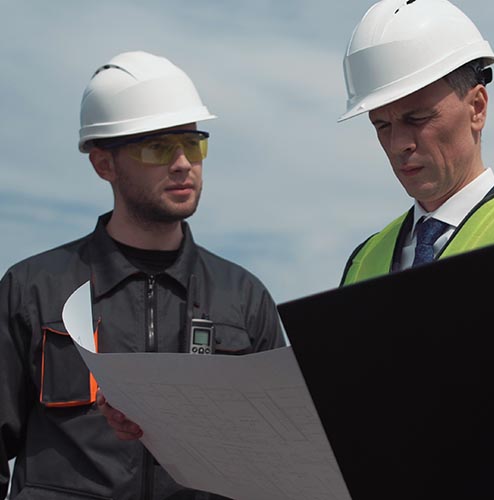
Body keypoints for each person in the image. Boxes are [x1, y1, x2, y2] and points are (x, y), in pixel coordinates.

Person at [0, 51, 285, 499]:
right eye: (157, 147)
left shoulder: (244, 299)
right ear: (103, 164)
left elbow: (279, 455)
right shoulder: (32, 290)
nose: (181, 163)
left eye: (193, 144)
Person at [337, 0, 494, 285]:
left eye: (417, 118)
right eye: (381, 125)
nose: (398, 144)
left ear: (477, 108)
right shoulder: (363, 262)